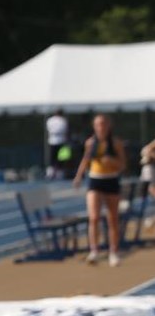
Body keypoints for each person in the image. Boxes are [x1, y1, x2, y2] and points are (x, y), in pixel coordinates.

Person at [72, 113, 127, 266]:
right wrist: (78, 176)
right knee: (94, 217)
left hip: (111, 180)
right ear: (94, 126)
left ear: (108, 126)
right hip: (95, 180)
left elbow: (123, 165)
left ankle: (113, 252)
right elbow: (86, 159)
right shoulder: (90, 143)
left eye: (103, 124)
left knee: (112, 219)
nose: (100, 127)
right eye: (97, 124)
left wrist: (112, 161)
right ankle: (94, 251)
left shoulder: (116, 143)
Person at [45, 108, 70, 179]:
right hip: (57, 140)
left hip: (56, 140)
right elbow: (65, 130)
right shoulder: (62, 120)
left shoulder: (51, 120)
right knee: (56, 158)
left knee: (58, 157)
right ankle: (54, 173)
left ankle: (56, 173)